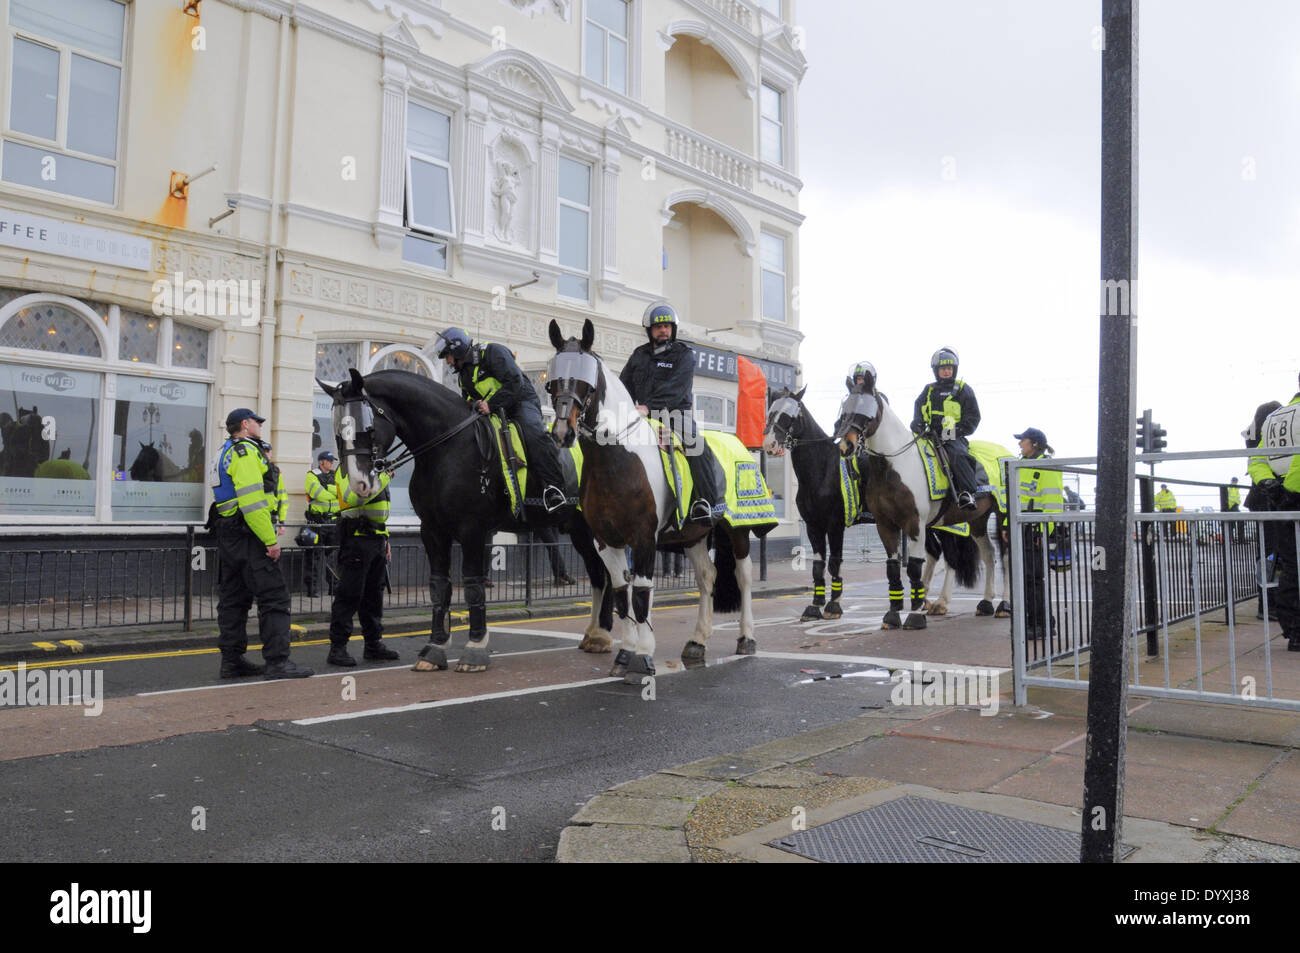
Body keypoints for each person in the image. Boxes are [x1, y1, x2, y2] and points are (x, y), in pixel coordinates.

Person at [209, 408, 312, 679]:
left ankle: (232, 662)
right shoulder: (246, 451)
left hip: (229, 535)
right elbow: (253, 503)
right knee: (275, 598)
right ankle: (278, 662)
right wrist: (270, 541)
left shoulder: (224, 450)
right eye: (257, 421)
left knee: (234, 599)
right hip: (249, 536)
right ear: (245, 424)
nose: (260, 426)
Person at [435, 327, 567, 514]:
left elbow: (514, 381)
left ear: (456, 350)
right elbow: (469, 400)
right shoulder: (463, 376)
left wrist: (491, 404)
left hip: (521, 402)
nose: (447, 362)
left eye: (447, 356)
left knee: (533, 434)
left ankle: (555, 488)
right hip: (496, 411)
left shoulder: (492, 352)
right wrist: (475, 404)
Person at [619, 301, 725, 523]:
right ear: (650, 331)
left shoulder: (683, 355)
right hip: (641, 416)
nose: (663, 330)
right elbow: (624, 385)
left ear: (673, 329)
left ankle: (705, 502)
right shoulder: (638, 355)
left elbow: (676, 389)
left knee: (696, 444)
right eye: (658, 327)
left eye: (667, 326)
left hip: (675, 415)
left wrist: (649, 406)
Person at [326, 464, 401, 666]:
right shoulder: (347, 467)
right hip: (356, 540)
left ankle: (373, 644)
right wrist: (383, 478)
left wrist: (385, 538)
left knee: (374, 596)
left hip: (375, 539)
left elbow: (380, 511)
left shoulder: (372, 471)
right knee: (349, 595)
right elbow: (354, 497)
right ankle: (338, 648)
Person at [1004, 427, 1064, 643]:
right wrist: (1005, 524)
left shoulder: (1046, 467)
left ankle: (1041, 624)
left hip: (1035, 529)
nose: (1020, 444)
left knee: (1034, 579)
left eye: (1024, 440)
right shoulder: (1022, 466)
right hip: (1022, 528)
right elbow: (1015, 499)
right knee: (1026, 579)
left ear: (1035, 444)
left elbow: (1052, 503)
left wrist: (1046, 532)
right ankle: (1034, 622)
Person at [910, 347, 981, 510]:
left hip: (954, 436)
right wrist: (917, 423)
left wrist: (954, 432)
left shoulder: (963, 389)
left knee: (958, 455)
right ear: (936, 371)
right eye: (943, 368)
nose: (947, 372)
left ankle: (967, 493)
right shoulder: (928, 390)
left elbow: (973, 418)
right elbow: (918, 410)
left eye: (949, 368)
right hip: (929, 436)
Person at [1244, 400, 1283, 621]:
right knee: (1275, 554)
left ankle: (1266, 602)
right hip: (1270, 498)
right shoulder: (1269, 436)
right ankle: (1271, 603)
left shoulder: (1251, 435)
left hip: (1258, 500)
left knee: (1265, 555)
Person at [304, 450, 340, 598]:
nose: (332, 463)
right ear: (321, 462)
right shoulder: (311, 476)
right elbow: (319, 494)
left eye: (333, 461)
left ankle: (334, 587)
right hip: (317, 523)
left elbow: (343, 493)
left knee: (333, 557)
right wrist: (334, 493)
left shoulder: (335, 476)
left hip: (333, 522)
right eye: (329, 461)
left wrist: (329, 490)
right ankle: (311, 589)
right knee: (314, 556)